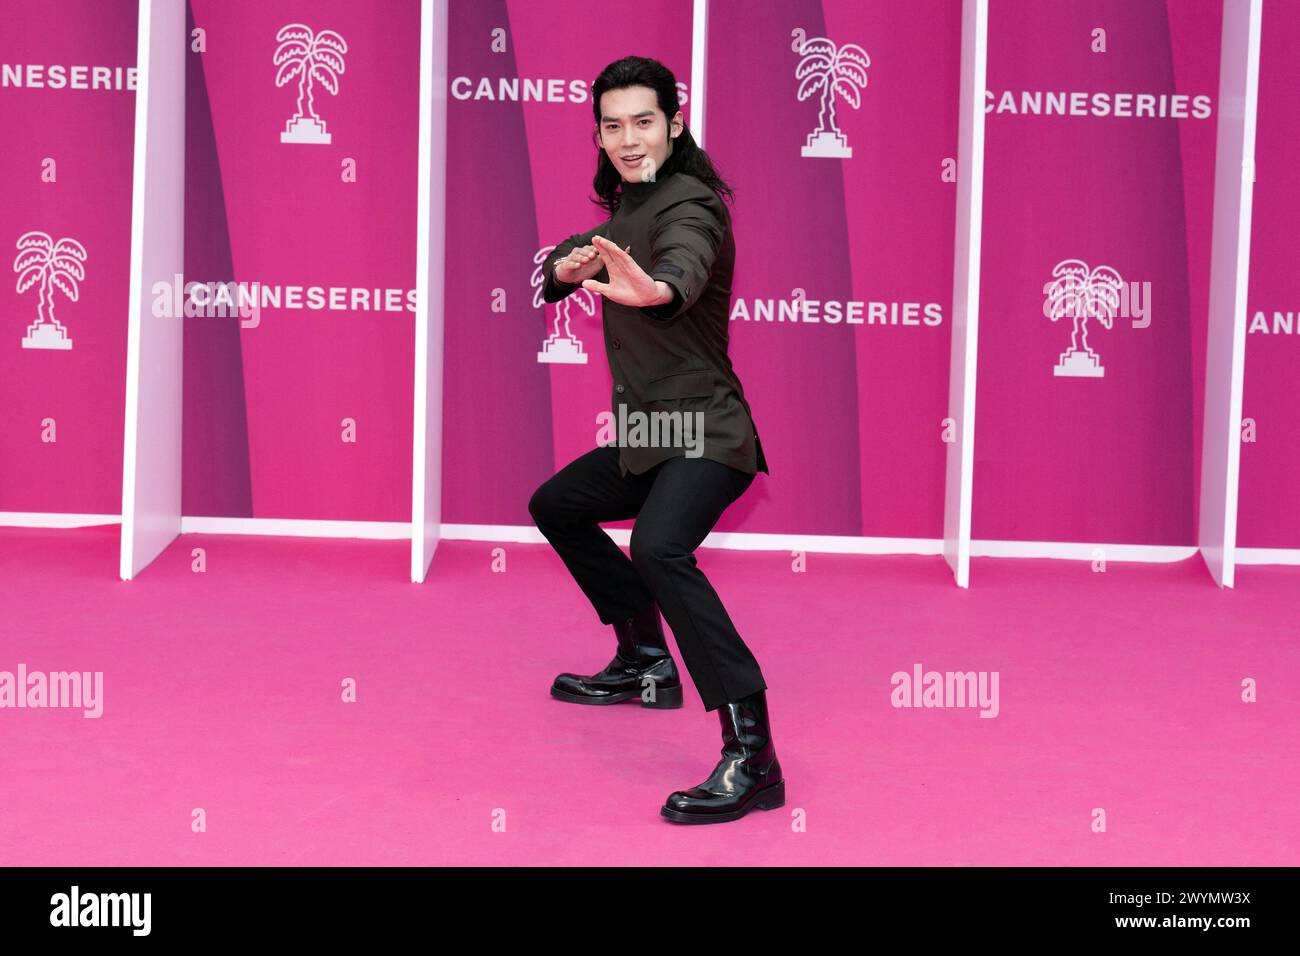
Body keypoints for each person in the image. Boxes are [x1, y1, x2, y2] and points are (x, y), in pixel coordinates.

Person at [528, 55, 783, 825]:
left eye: (645, 121)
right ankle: (644, 662)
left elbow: (683, 261)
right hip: (654, 434)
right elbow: (582, 253)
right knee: (559, 505)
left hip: (708, 431)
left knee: (659, 547)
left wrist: (659, 289)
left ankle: (754, 755)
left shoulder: (690, 203)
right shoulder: (625, 209)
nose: (629, 138)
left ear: (674, 123)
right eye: (613, 125)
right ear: (600, 135)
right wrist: (563, 271)